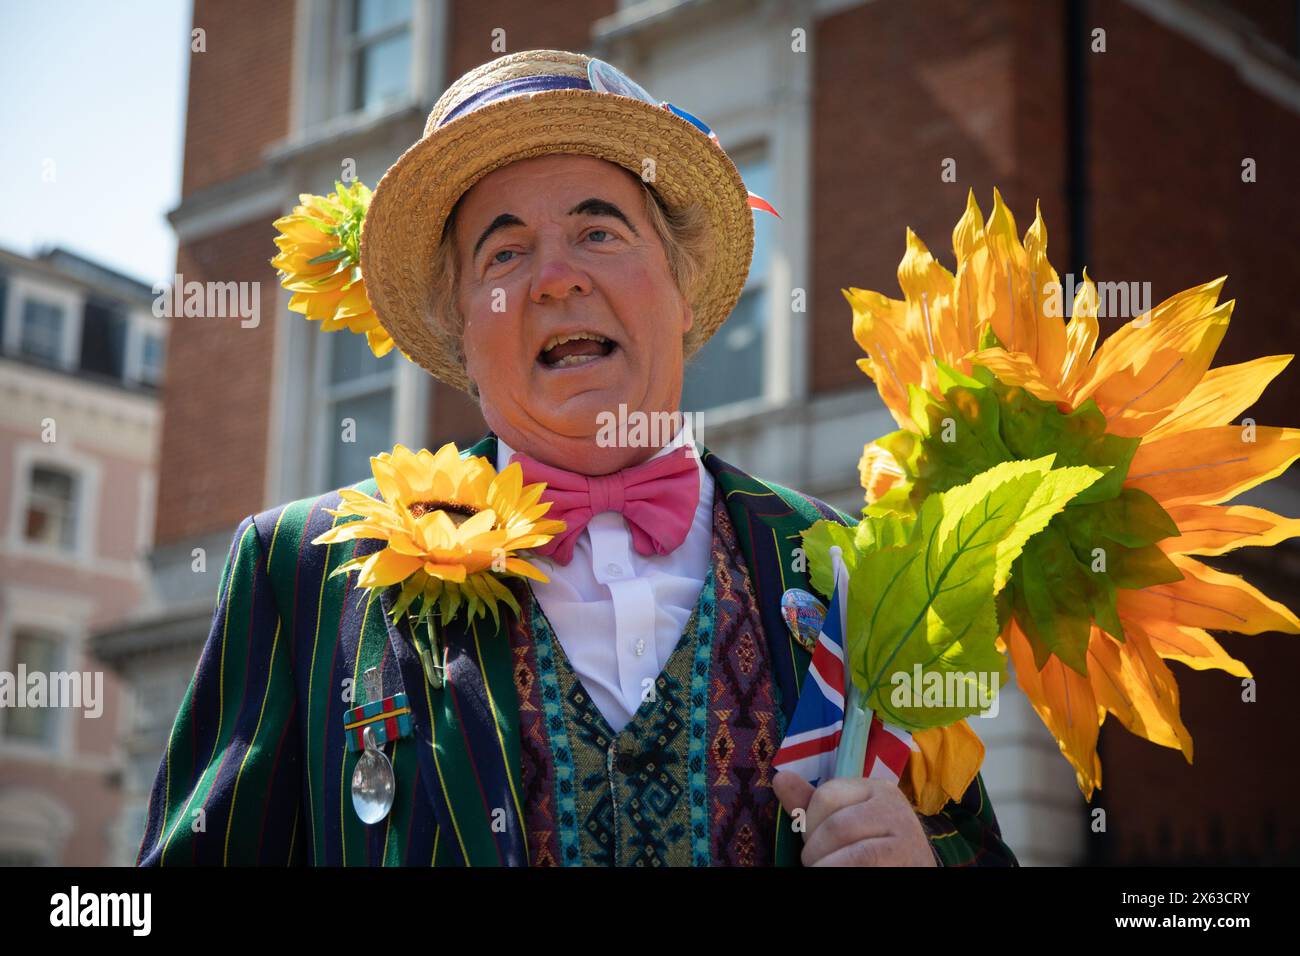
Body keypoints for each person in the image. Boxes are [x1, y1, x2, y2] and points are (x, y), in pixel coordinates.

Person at [137, 49, 1016, 867]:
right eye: (505, 251)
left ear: (682, 293)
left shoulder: (852, 575)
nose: (555, 278)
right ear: (462, 334)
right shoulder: (301, 570)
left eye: (599, 233)